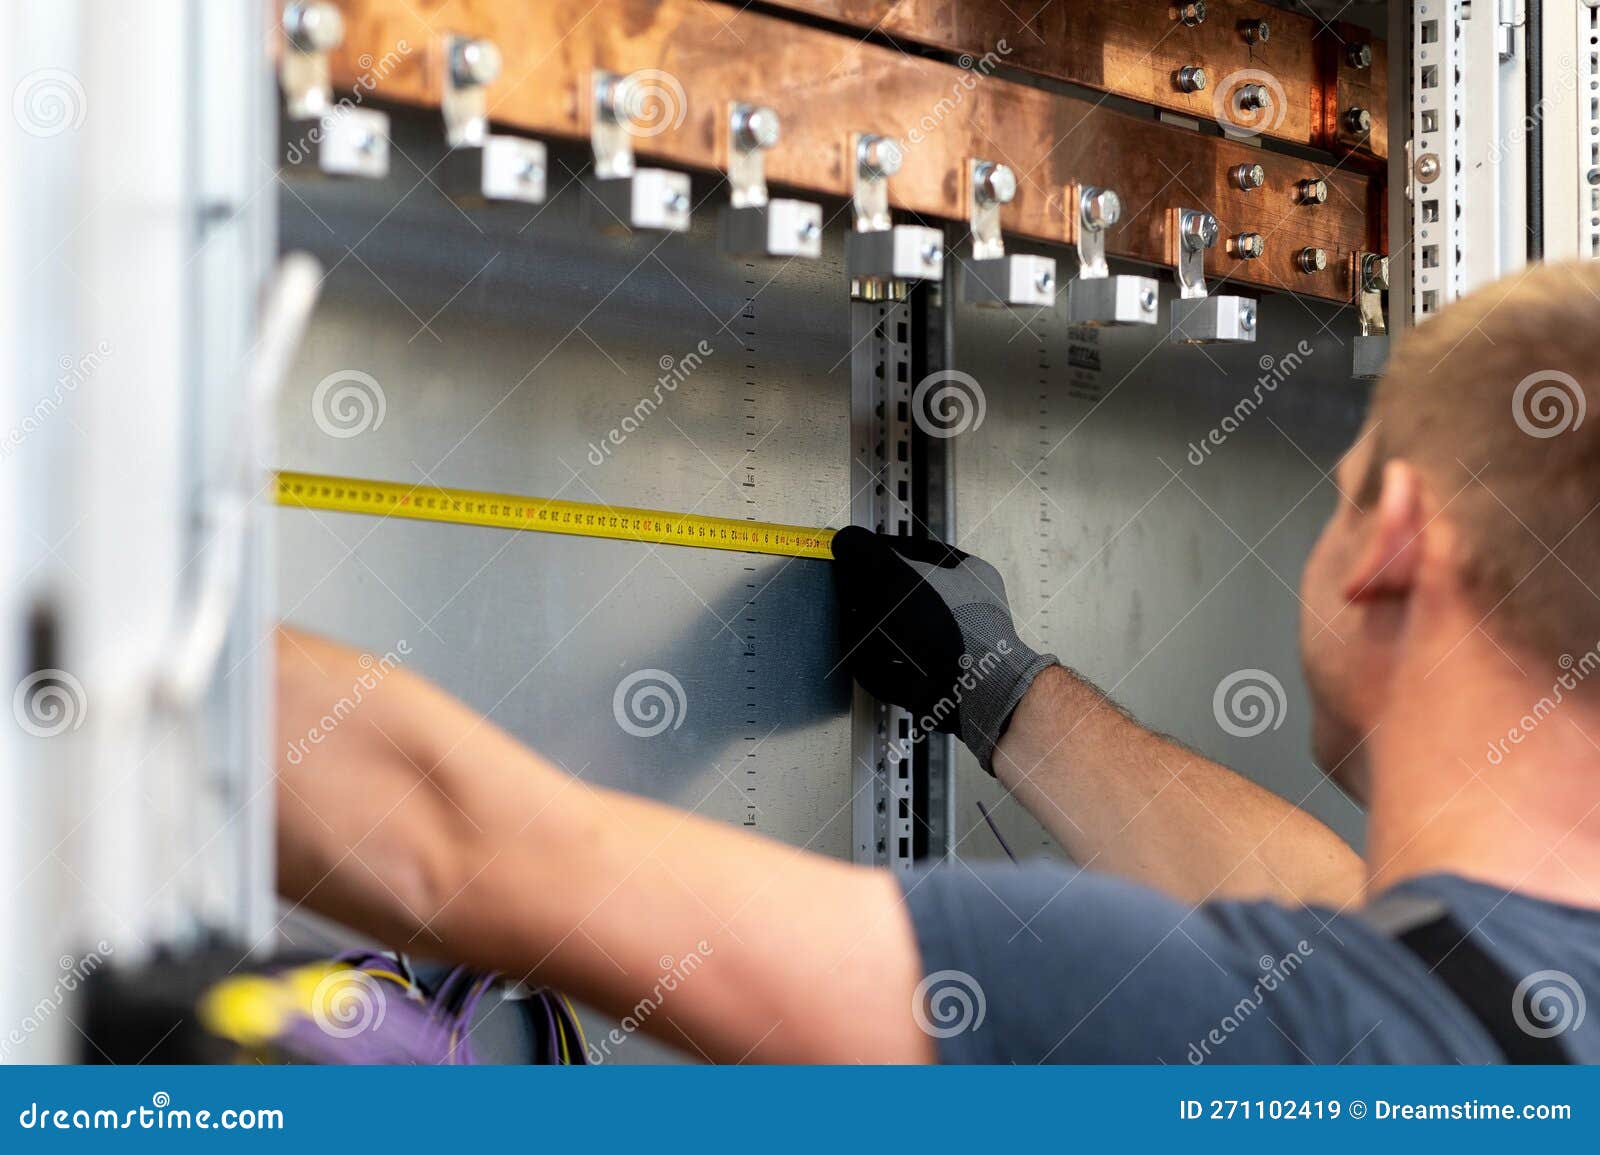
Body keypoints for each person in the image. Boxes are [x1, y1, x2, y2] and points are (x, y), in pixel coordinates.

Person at [275, 260, 1600, 1063]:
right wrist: (1001, 687)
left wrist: (143, 637)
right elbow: (1328, 914)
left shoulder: (1269, 1035)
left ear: (1396, 539)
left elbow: (451, 843)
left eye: (1347, 492)